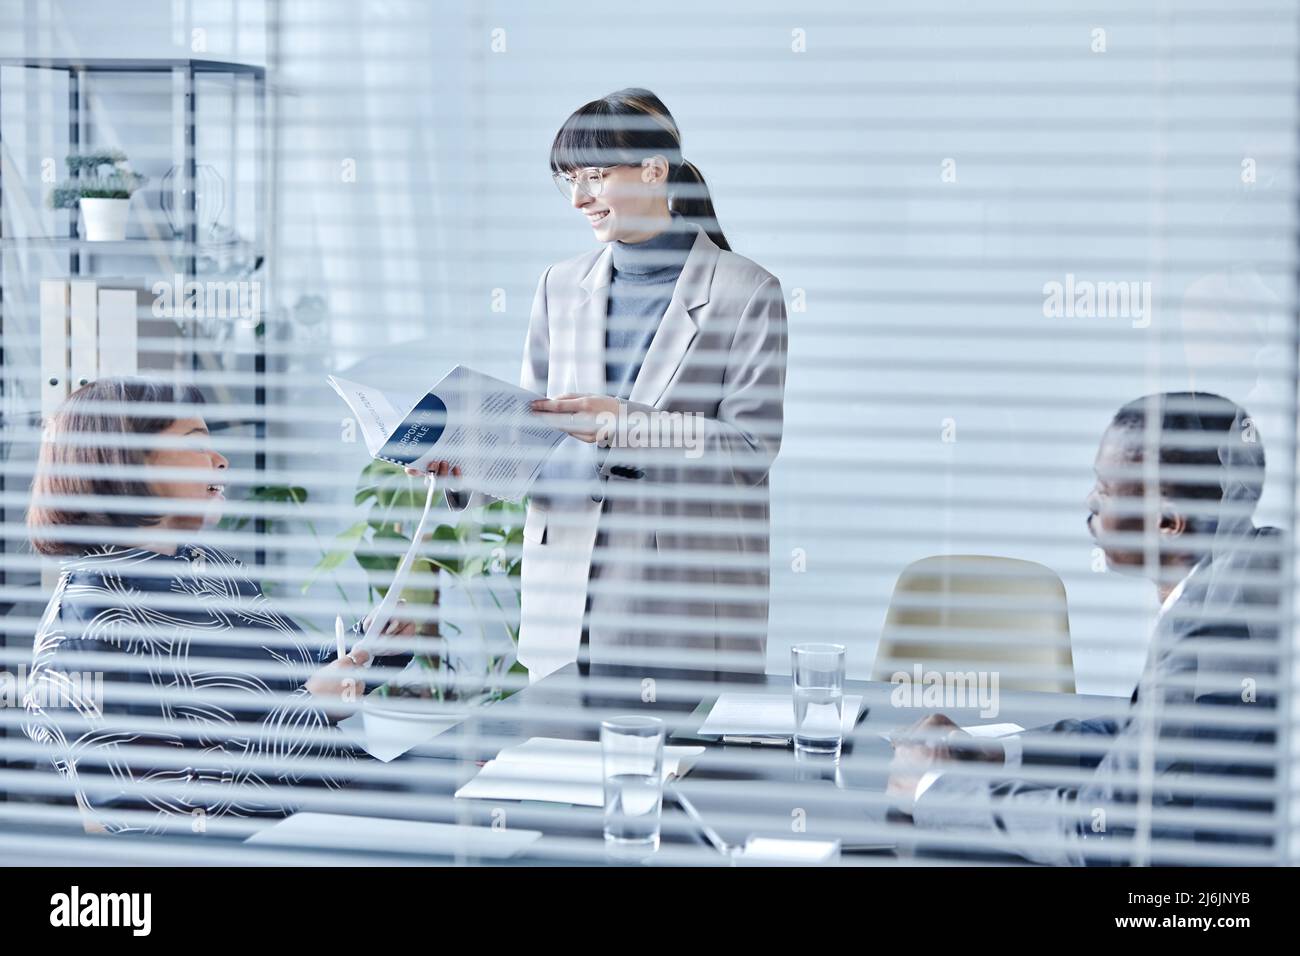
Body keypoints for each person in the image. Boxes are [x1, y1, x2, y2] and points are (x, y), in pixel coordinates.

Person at [415, 88, 787, 680]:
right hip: (563, 587)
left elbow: (750, 450)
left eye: (593, 176)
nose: (579, 199)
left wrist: (624, 424)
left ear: (655, 171)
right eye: (569, 180)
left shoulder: (746, 292)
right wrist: (466, 465)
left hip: (680, 593)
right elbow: (533, 427)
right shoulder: (558, 285)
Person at [887, 392, 1282, 865]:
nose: (1089, 501)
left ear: (1167, 522)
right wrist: (1001, 753)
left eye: (1106, 489)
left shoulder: (1209, 626)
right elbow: (1151, 738)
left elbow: (1099, 831)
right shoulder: (1252, 567)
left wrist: (934, 791)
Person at [23, 378, 415, 835]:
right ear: (124, 462)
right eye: (196, 445)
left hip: (347, 805)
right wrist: (310, 711)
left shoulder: (205, 567)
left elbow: (295, 674)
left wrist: (373, 650)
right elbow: (163, 813)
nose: (221, 460)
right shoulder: (90, 623)